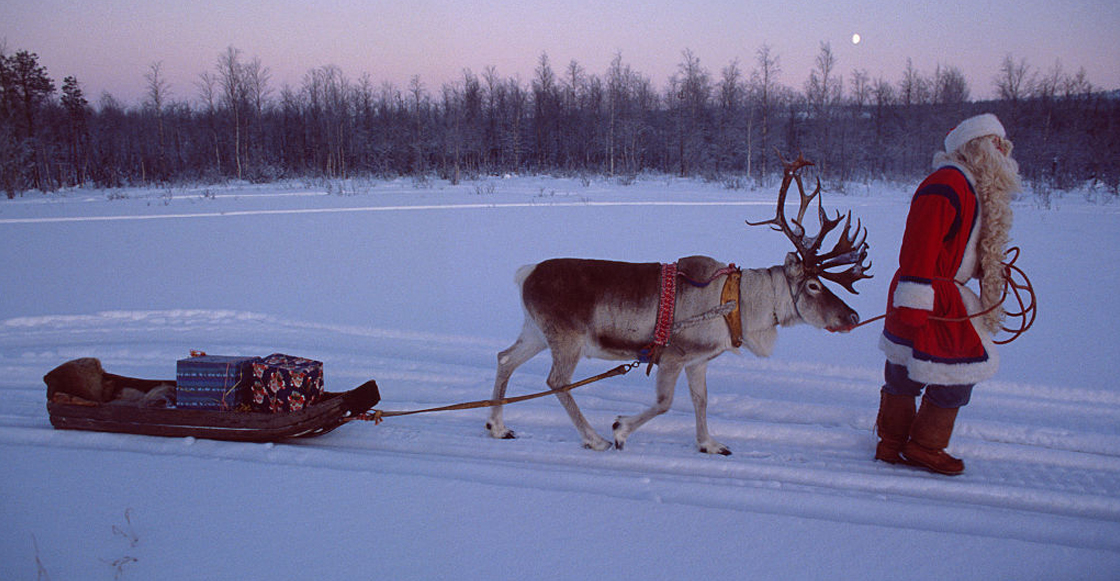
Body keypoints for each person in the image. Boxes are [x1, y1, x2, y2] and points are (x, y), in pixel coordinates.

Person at [875, 113, 1021, 475]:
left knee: (905, 366)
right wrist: (915, 300)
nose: (1003, 152)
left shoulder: (971, 184)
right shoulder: (948, 183)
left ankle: (891, 444)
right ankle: (923, 447)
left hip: (932, 289)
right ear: (976, 147)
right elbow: (919, 243)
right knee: (957, 371)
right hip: (928, 291)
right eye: (996, 144)